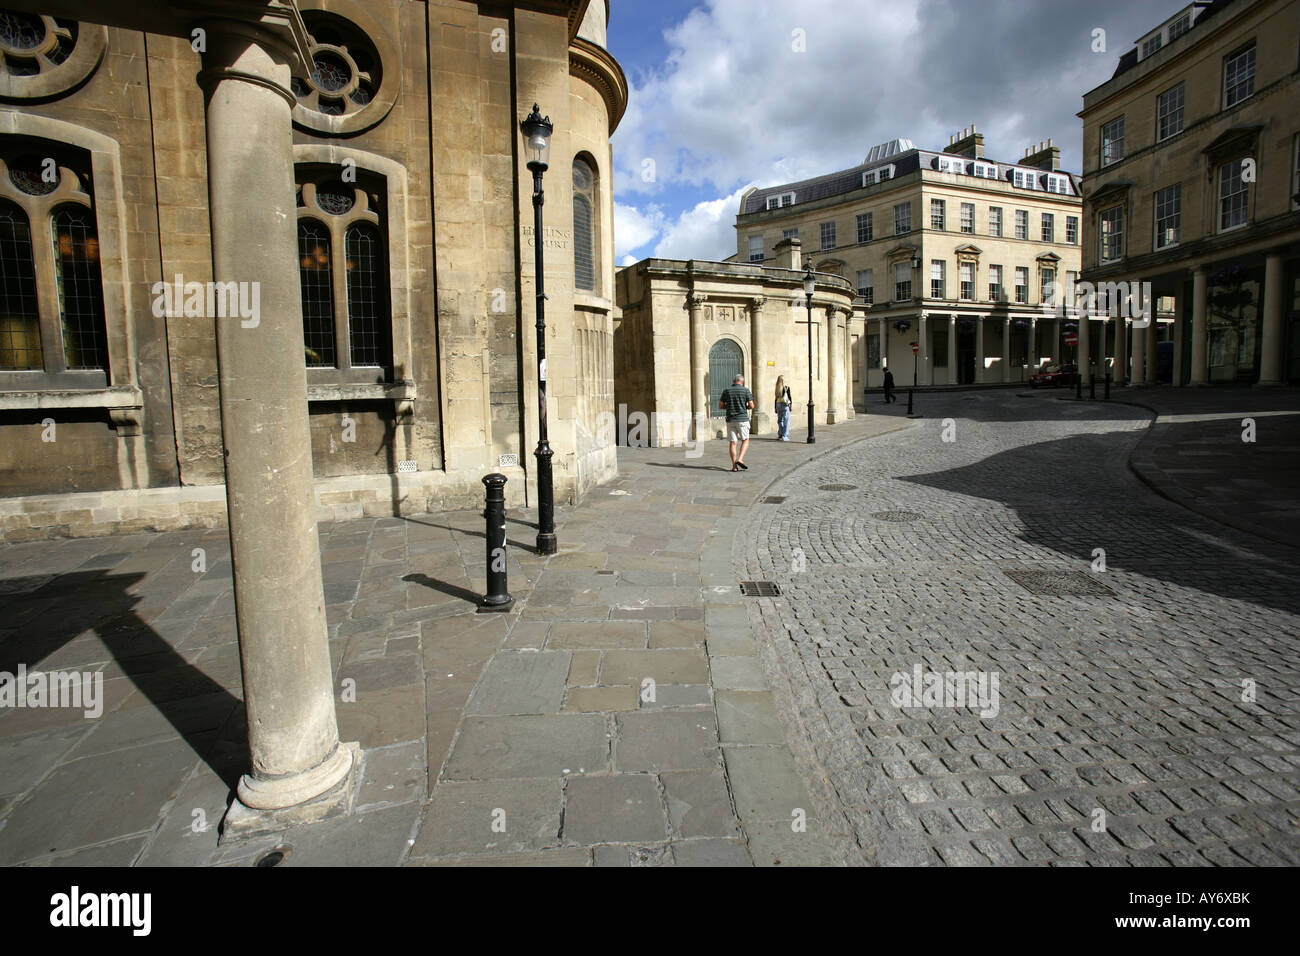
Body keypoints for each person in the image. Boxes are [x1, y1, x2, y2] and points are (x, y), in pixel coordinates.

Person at [718, 373, 754, 472]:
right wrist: (745, 407)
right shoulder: (746, 390)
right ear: (742, 382)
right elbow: (752, 405)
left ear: (734, 381)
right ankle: (740, 459)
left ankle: (734, 466)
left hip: (730, 420)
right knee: (745, 440)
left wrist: (729, 407)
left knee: (733, 443)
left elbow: (720, 406)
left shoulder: (726, 391)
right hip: (742, 419)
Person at [774, 374, 792, 441]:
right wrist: (791, 406)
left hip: (778, 404)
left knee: (780, 420)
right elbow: (789, 397)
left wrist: (775, 407)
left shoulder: (777, 388)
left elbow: (775, 399)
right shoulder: (786, 388)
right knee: (786, 420)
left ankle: (780, 434)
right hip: (785, 405)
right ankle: (785, 436)